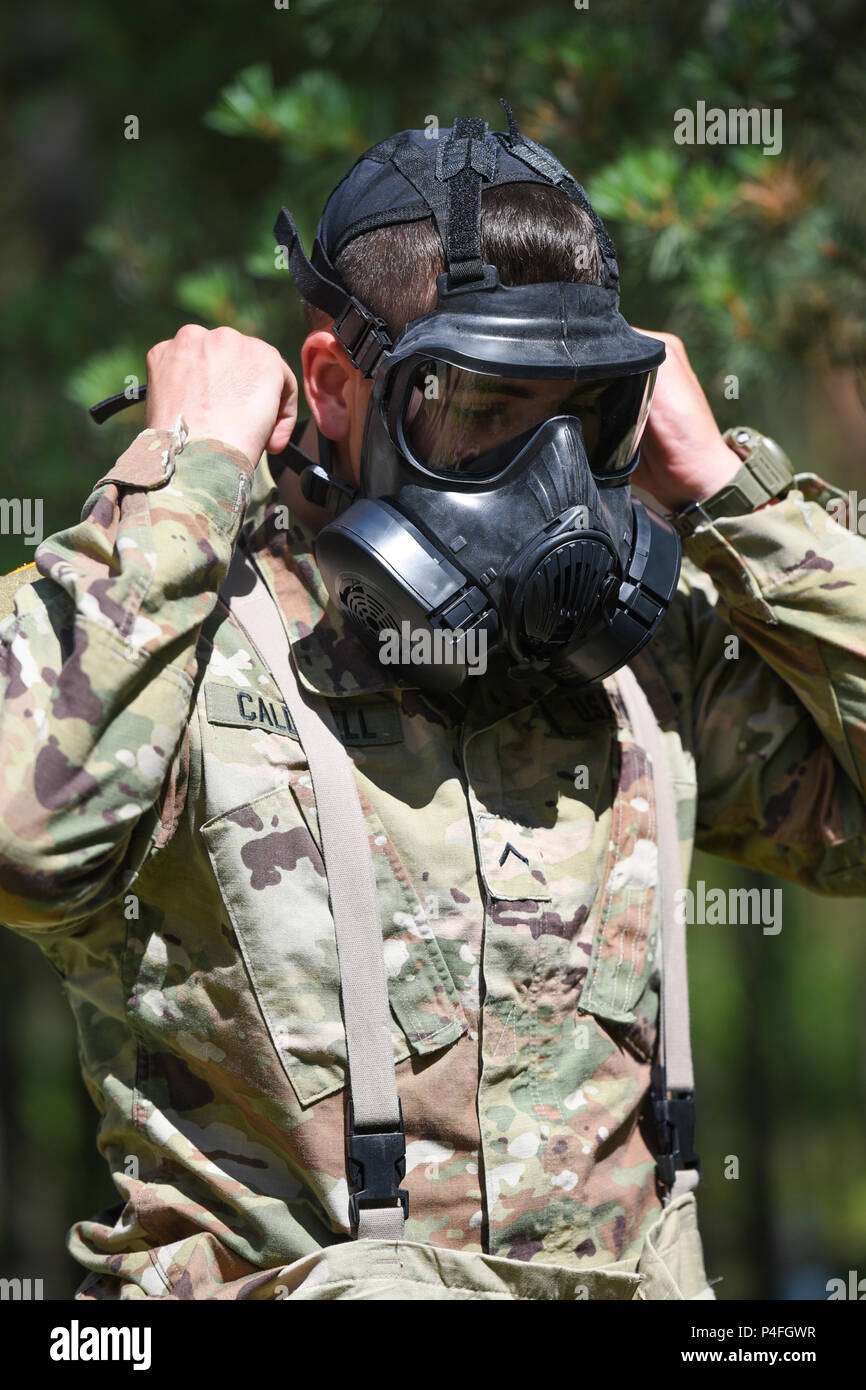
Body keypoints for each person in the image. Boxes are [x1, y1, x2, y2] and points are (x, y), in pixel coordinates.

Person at [1, 110, 864, 1302]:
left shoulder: (638, 665)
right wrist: (181, 475)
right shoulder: (189, 642)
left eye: (585, 417)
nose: (552, 485)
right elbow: (20, 834)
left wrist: (729, 494)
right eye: (483, 410)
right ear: (335, 386)